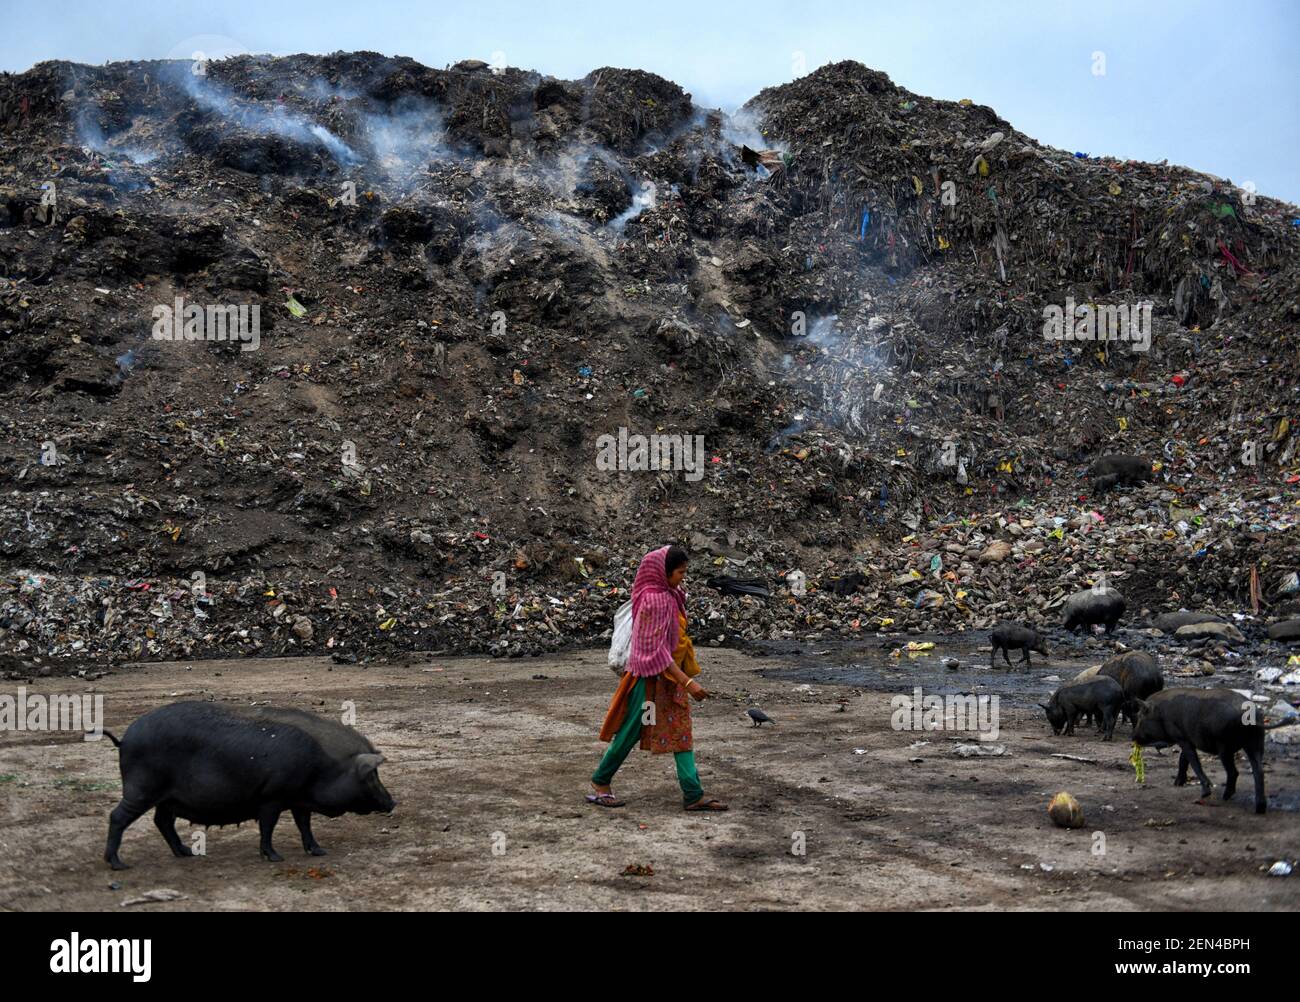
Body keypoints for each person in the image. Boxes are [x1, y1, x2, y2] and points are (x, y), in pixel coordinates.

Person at [588, 545, 727, 811]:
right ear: (663, 572)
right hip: (649, 679)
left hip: (669, 678)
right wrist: (688, 682)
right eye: (679, 572)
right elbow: (656, 650)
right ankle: (600, 781)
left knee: (681, 732)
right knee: (631, 731)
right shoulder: (655, 600)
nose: (682, 578)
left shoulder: (669, 595)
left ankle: (693, 793)